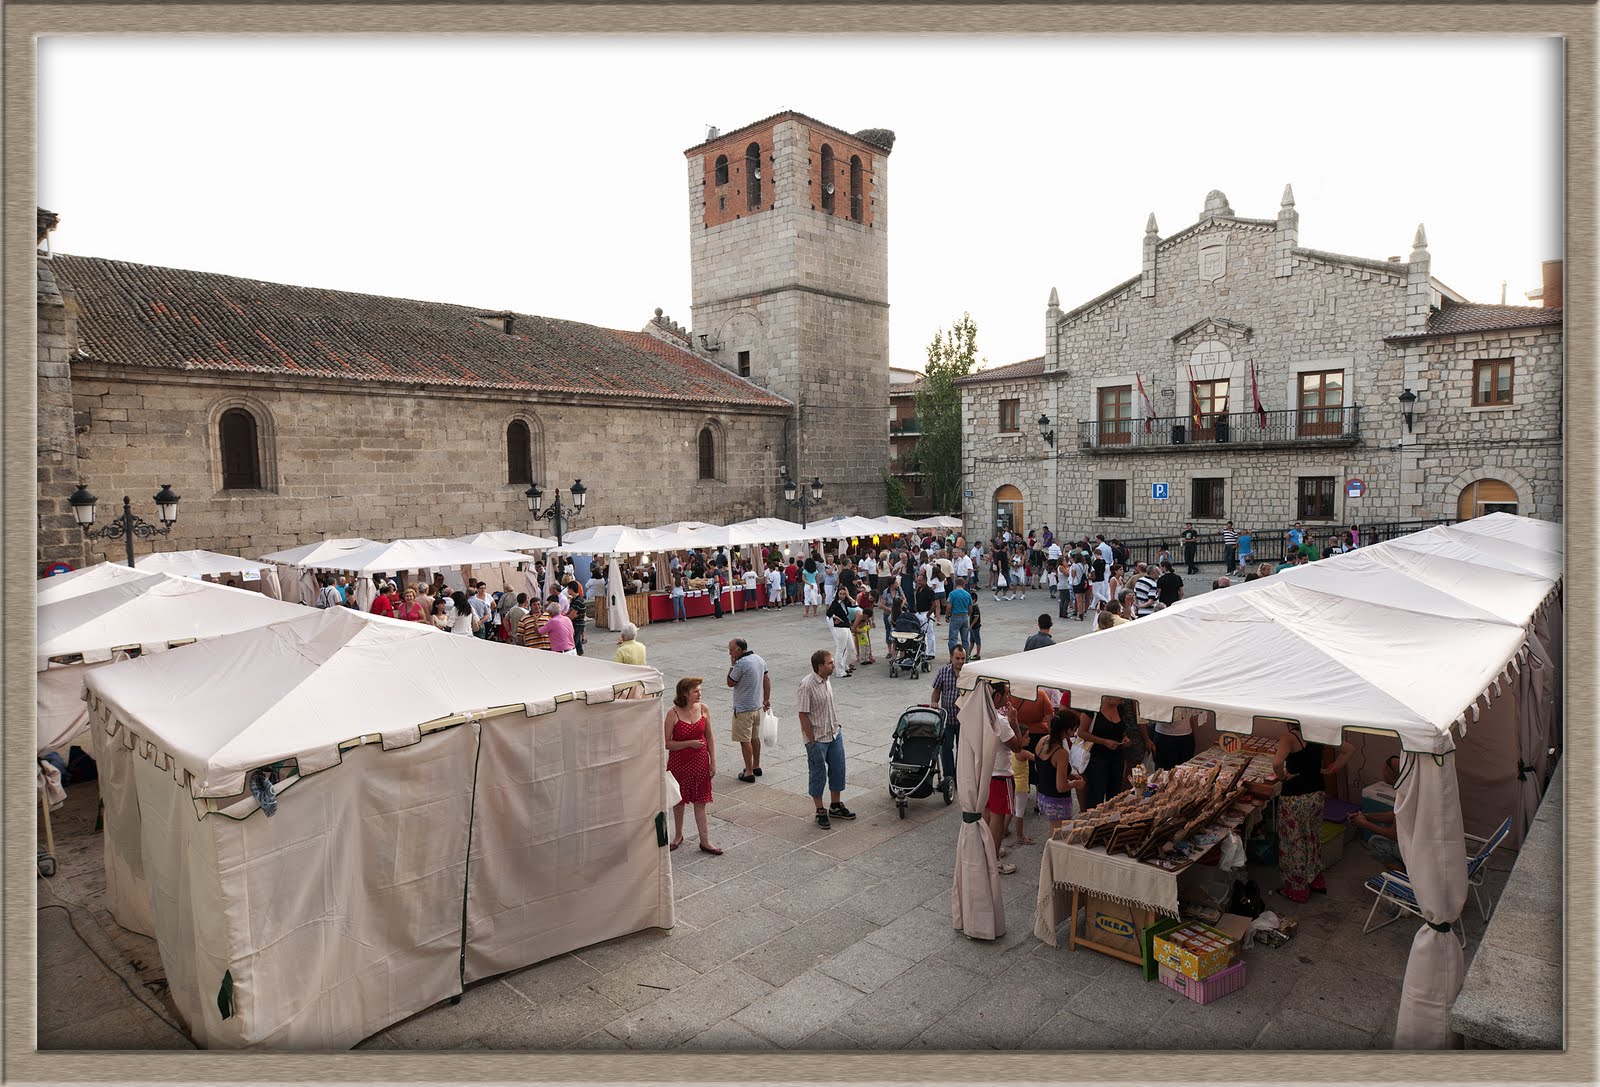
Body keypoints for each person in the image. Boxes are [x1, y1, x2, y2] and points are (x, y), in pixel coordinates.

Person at [1271, 722, 1353, 902]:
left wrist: (1283, 776)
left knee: (1294, 842)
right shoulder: (1319, 731)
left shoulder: (1289, 737)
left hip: (1295, 797)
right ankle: (1315, 880)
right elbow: (1349, 749)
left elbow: (1277, 763)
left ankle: (1297, 889)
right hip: (1316, 794)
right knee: (1312, 837)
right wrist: (1332, 769)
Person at [796, 649, 854, 829]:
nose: (833, 664)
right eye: (830, 663)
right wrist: (812, 741)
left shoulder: (827, 681)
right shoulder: (806, 685)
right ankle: (820, 810)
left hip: (834, 733)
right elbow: (803, 714)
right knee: (818, 774)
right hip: (818, 739)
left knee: (838, 770)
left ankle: (835, 805)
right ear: (820, 666)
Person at [665, 677, 720, 855]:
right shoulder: (673, 714)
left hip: (700, 763)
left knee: (700, 802)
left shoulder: (704, 709)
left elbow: (710, 736)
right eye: (696, 691)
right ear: (684, 693)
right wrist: (689, 743)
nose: (700, 694)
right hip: (678, 764)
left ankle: (705, 841)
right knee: (678, 801)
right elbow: (666, 743)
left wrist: (713, 761)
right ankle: (678, 835)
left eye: (700, 690)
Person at [985, 682, 1035, 875]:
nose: (1009, 698)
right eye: (1006, 694)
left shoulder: (985, 715)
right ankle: (994, 859)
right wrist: (1014, 721)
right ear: (996, 696)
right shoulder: (1001, 721)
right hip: (1001, 774)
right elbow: (1018, 746)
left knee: (987, 815)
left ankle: (990, 852)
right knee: (998, 820)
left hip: (987, 771)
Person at [1034, 709, 1088, 833]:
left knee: (1054, 832)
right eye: (1074, 729)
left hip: (1042, 796)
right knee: (1058, 836)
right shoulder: (1061, 753)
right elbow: (1061, 787)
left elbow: (1039, 768)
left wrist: (1068, 775)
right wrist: (1075, 784)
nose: (1074, 734)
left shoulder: (1042, 741)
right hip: (1056, 801)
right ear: (1067, 729)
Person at [726, 638, 771, 783]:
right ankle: (756, 765)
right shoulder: (759, 659)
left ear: (739, 650)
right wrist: (766, 699)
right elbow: (767, 679)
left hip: (743, 709)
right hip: (756, 707)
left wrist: (732, 666)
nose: (730, 653)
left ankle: (749, 772)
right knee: (754, 737)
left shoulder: (740, 664)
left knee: (745, 741)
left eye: (731, 650)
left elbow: (730, 682)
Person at [1349, 755, 1404, 868]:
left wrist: (1364, 824)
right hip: (1422, 843)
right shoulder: (1406, 789)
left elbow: (1394, 835)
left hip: (1417, 849)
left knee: (1375, 842)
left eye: (1385, 768)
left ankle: (1404, 877)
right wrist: (1366, 816)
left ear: (1389, 773)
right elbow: (1395, 815)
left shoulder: (1405, 796)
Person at [1079, 694, 1131, 809]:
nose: (1122, 702)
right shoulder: (1092, 709)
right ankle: (1094, 821)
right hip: (1097, 756)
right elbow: (1081, 732)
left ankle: (1110, 820)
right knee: (1097, 791)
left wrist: (1125, 738)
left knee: (1115, 790)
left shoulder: (1120, 709)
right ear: (1109, 697)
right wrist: (1103, 741)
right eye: (1120, 699)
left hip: (1117, 755)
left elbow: (1121, 729)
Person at [930, 645, 965, 787]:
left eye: (963, 658)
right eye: (957, 658)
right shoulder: (944, 671)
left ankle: (961, 778)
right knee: (946, 749)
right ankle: (949, 778)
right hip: (947, 720)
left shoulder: (970, 673)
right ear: (951, 657)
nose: (961, 661)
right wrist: (933, 702)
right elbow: (937, 690)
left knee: (963, 752)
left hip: (964, 721)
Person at [946, 576, 973, 656]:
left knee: (953, 639)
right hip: (965, 617)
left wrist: (947, 616)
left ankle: (953, 657)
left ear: (955, 584)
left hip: (955, 617)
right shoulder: (967, 594)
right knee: (965, 640)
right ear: (963, 584)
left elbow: (949, 607)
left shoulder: (952, 594)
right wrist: (967, 615)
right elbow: (970, 607)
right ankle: (966, 658)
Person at [565, 580, 587, 654]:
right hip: (576, 624)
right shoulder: (574, 600)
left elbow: (572, 616)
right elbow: (568, 612)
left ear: (571, 589)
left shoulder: (578, 601)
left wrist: (564, 618)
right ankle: (580, 653)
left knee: (574, 642)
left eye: (568, 589)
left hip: (578, 624)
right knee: (577, 644)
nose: (567, 590)